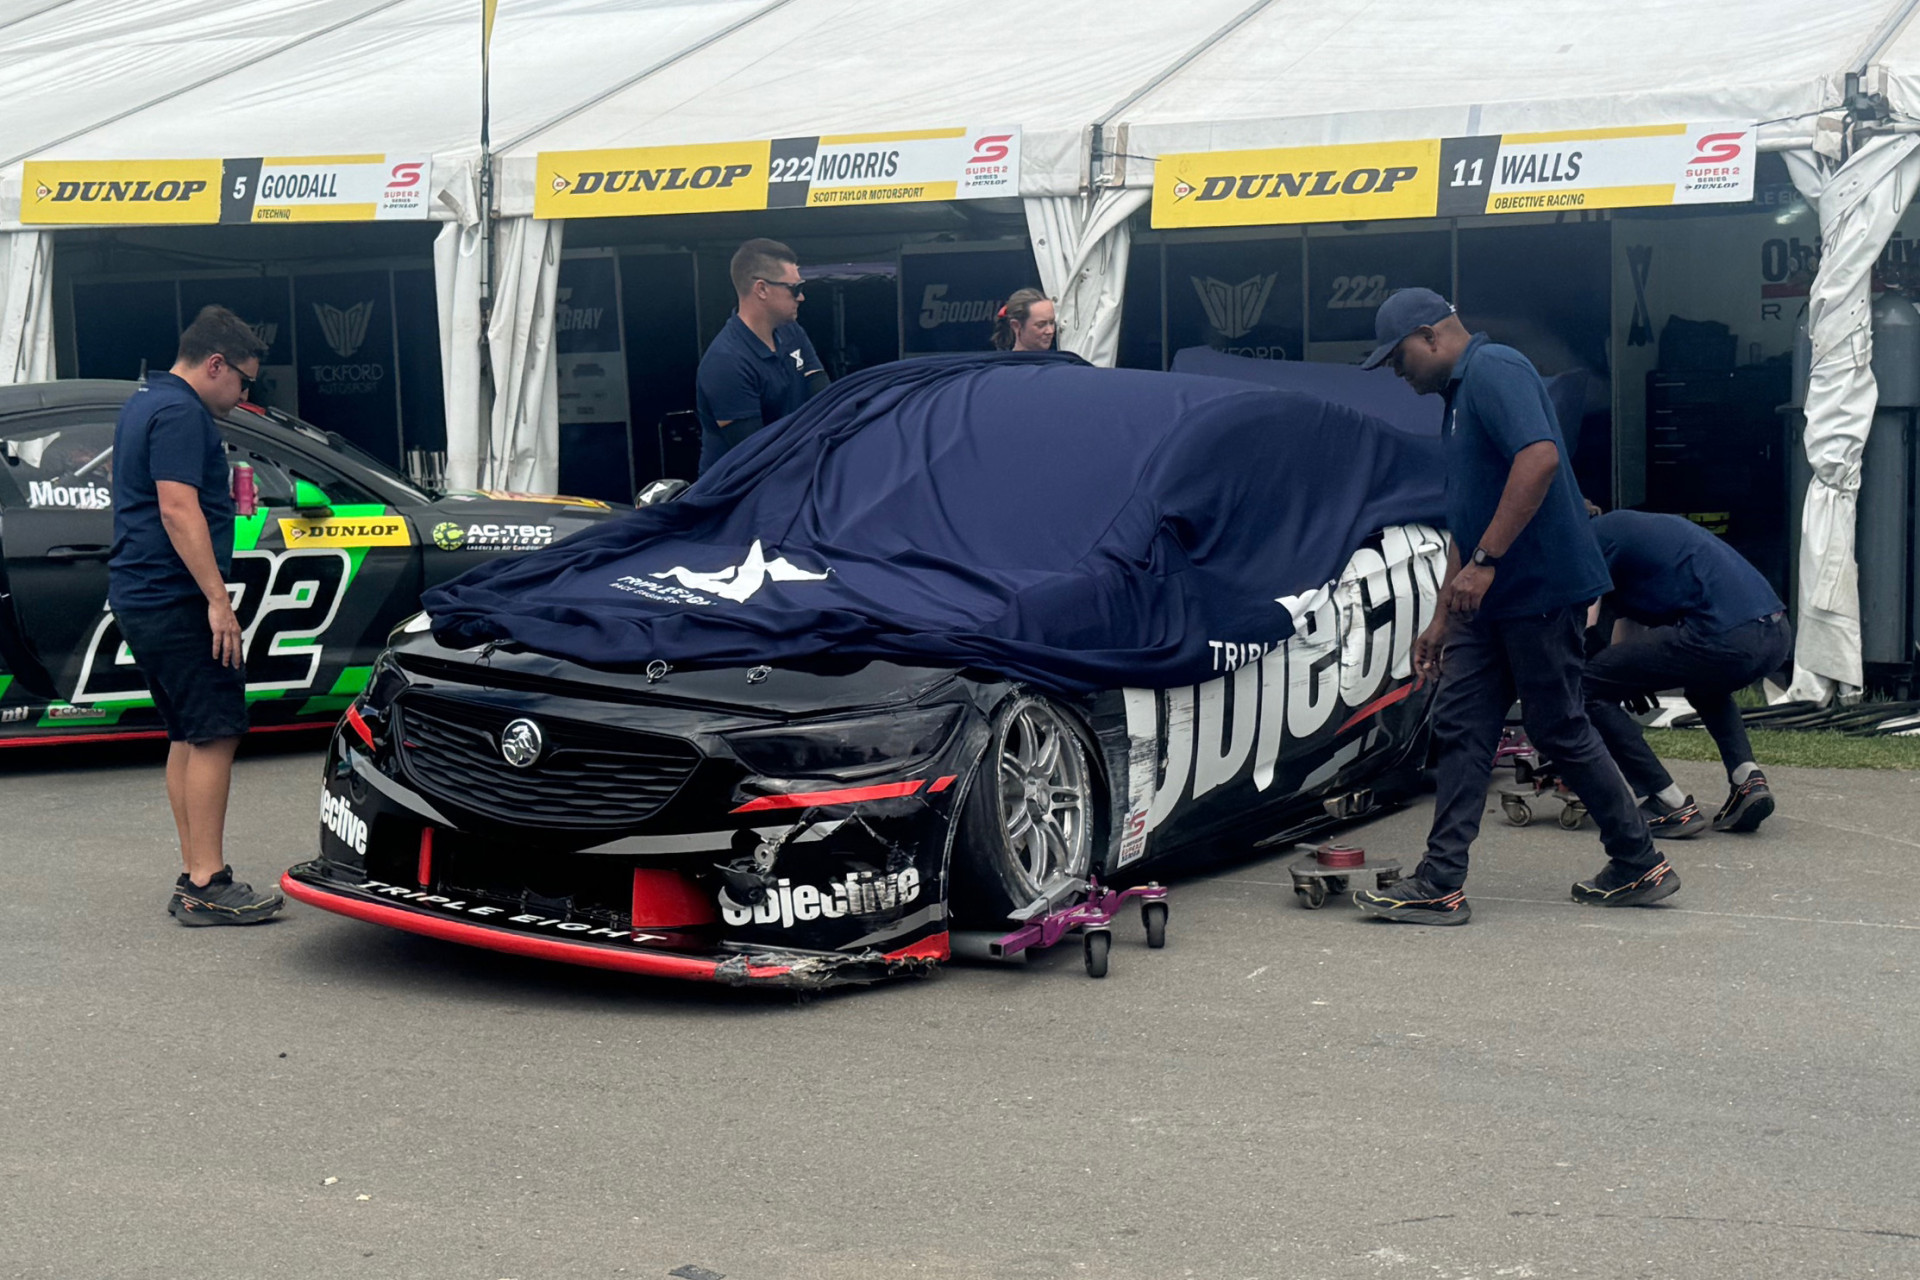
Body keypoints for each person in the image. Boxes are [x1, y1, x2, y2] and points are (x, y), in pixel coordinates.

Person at [1350, 288, 1677, 924]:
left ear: (1432, 336)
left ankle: (1639, 860)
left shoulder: (1495, 370)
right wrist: (1442, 617)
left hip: (1534, 589)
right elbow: (1464, 522)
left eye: (1398, 358)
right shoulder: (1456, 398)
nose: (1397, 371)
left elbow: (1540, 459)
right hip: (1489, 601)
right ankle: (1440, 882)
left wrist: (1487, 562)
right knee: (1462, 727)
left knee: (1559, 726)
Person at [110, 305, 284, 925]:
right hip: (176, 597)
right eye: (242, 380)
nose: (243, 394)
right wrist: (219, 601)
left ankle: (194, 873)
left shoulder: (146, 401)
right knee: (216, 730)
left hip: (141, 593)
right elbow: (177, 509)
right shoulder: (184, 413)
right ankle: (207, 882)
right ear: (216, 364)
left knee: (187, 732)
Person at [1583, 509, 1790, 836]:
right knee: (1705, 684)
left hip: (1724, 636)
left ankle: (1666, 801)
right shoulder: (1633, 532)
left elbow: (1586, 623)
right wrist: (1625, 676)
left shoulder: (1592, 536)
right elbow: (1629, 629)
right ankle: (1747, 781)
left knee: (1586, 689)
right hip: (1775, 631)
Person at [694, 238, 829, 476]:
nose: (801, 298)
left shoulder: (791, 332)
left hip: (790, 473)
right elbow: (756, 456)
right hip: (736, 497)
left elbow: (826, 402)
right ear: (762, 289)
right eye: (794, 289)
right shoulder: (726, 362)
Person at [991, 288, 1057, 352]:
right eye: (1041, 325)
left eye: (1052, 323)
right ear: (1015, 325)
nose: (1050, 331)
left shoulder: (1062, 360)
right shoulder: (1001, 362)